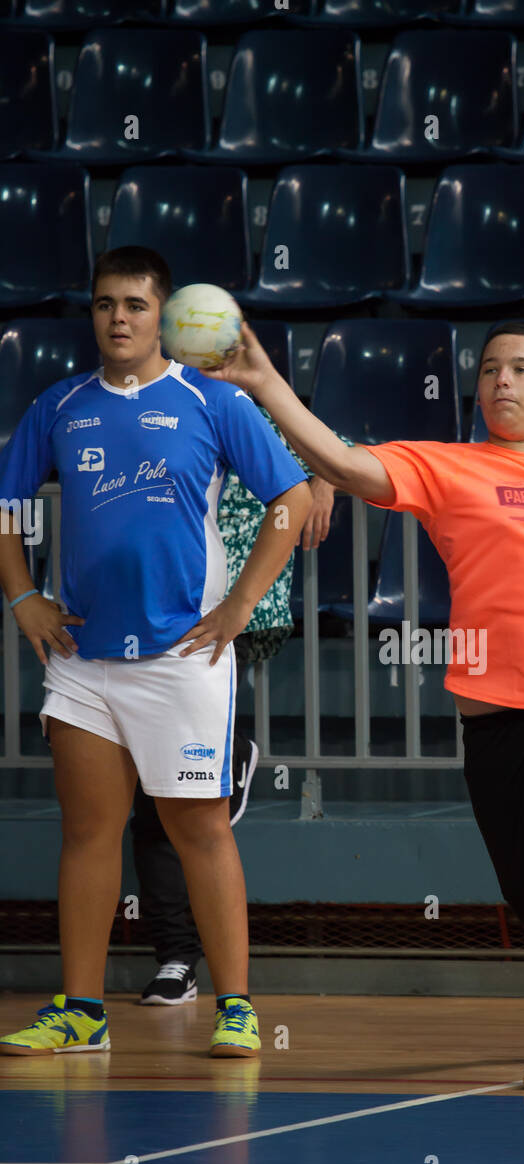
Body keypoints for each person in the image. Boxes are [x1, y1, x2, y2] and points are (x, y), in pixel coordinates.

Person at [202, 318, 524, 1089]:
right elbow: (343, 463)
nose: (503, 380)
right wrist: (267, 382)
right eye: (492, 368)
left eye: (523, 368)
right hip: (491, 717)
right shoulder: (448, 469)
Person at [0, 246, 312, 1057]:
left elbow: (294, 496)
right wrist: (23, 596)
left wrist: (240, 604)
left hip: (186, 655)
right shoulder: (61, 405)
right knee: (88, 833)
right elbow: (3, 506)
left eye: (135, 305)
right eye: (105, 305)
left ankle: (236, 1006)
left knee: (199, 828)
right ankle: (81, 1012)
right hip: (83, 658)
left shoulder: (211, 401)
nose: (118, 319)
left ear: (163, 314)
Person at [134, 408, 336, 1005]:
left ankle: (230, 746)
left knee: (177, 806)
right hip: (149, 613)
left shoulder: (250, 409)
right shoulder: (137, 411)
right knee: (150, 806)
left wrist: (322, 480)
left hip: (239, 608)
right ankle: (176, 960)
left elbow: (344, 449)